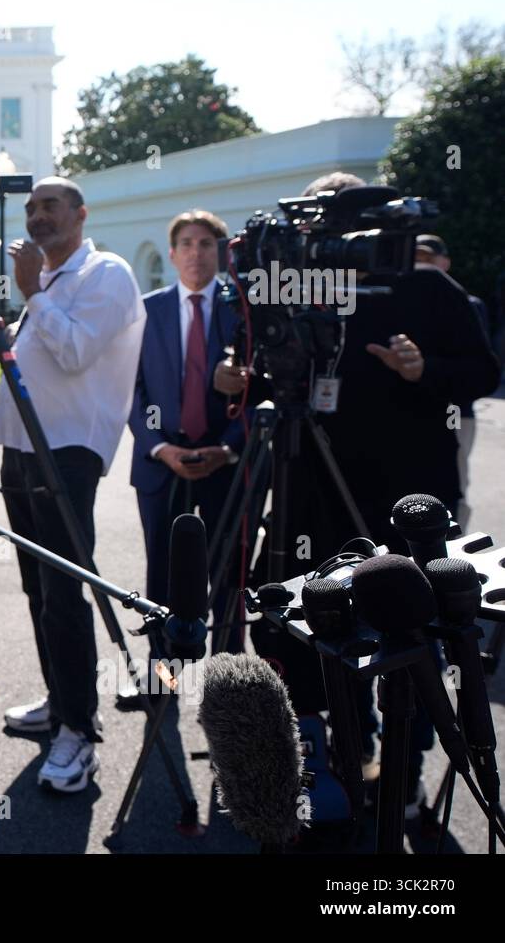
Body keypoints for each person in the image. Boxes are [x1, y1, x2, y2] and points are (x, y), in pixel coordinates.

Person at [214, 171, 500, 815]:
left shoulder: (426, 287)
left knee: (413, 629)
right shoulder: (298, 295)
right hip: (308, 489)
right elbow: (272, 375)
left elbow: (484, 370)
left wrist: (424, 370)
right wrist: (238, 379)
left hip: (405, 502)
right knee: (296, 617)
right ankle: (322, 752)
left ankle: (406, 764)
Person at [0, 177, 147, 792]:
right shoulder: (47, 285)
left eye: (49, 205)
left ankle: (79, 732)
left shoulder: (107, 273)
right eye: (30, 208)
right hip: (21, 450)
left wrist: (31, 293)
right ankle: (60, 702)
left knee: (64, 593)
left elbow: (77, 352)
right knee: (37, 589)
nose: (36, 217)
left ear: (81, 213)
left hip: (69, 453)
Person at [128, 210, 247, 662]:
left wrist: (229, 447)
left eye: (206, 244)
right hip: (162, 465)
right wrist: (161, 447)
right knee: (163, 578)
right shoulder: (145, 309)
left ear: (220, 253)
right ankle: (165, 674)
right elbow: (131, 390)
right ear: (173, 254)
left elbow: (262, 393)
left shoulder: (243, 309)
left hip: (225, 465)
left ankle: (227, 682)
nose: (196, 253)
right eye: (187, 244)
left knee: (229, 577)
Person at [413, 233, 497, 528]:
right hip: (416, 412)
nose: (421, 264)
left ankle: (453, 542)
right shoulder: (403, 301)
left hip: (456, 411)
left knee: (452, 482)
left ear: (445, 262)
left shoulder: (465, 302)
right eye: (416, 258)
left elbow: (477, 368)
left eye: (428, 258)